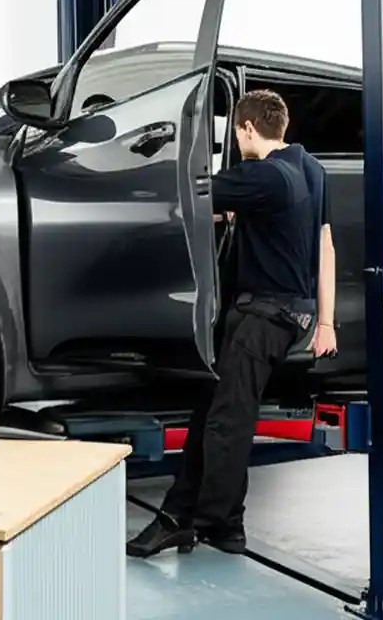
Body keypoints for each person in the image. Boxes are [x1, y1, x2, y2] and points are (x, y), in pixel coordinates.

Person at [127, 89, 336, 558]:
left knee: (227, 421)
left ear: (246, 129)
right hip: (292, 312)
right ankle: (229, 529)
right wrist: (327, 321)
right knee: (215, 410)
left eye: (236, 133)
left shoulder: (260, 176)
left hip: (263, 313)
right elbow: (325, 246)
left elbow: (189, 191)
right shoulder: (311, 170)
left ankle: (194, 520)